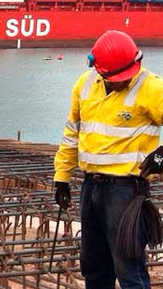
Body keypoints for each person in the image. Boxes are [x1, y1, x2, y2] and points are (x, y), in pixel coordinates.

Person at [54, 30, 163, 289]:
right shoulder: (84, 84)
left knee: (129, 269)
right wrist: (62, 177)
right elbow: (72, 133)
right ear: (99, 70)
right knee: (94, 267)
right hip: (91, 186)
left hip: (126, 191)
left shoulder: (152, 88)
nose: (122, 82)